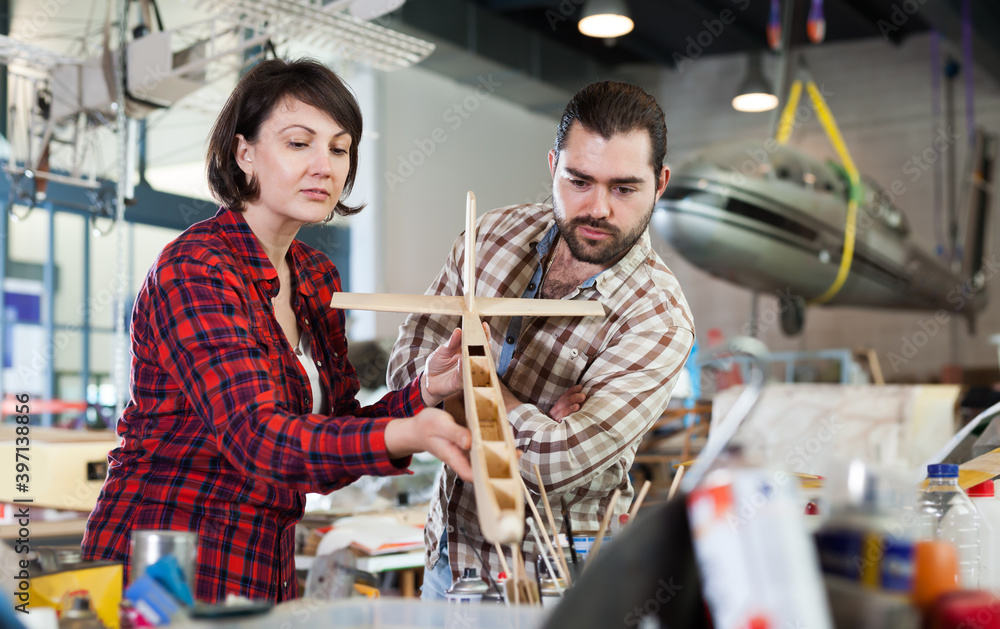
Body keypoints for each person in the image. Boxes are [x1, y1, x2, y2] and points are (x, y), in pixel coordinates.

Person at [81, 59, 473, 604]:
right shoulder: (194, 269)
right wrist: (412, 434)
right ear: (244, 154)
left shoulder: (315, 276)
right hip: (165, 567)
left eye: (339, 149)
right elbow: (259, 440)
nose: (325, 166)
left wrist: (423, 395)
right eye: (298, 143)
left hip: (263, 568)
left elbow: (327, 443)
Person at [387, 81, 695, 598]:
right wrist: (532, 416)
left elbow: (553, 465)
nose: (598, 208)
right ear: (553, 167)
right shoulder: (489, 237)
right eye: (579, 181)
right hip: (449, 559)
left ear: (659, 184)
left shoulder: (657, 318)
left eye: (624, 188)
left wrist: (481, 388)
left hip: (557, 583)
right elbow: (405, 379)